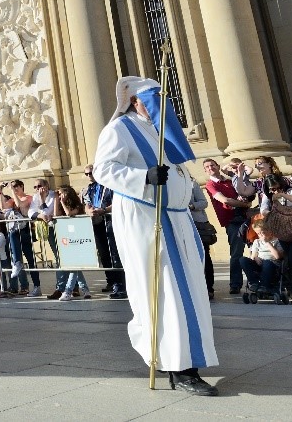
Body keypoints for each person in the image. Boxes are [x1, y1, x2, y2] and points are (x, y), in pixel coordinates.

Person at [93, 75, 219, 396]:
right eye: (153, 101)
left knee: (188, 290)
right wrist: (143, 176)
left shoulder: (159, 131)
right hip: (148, 216)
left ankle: (186, 356)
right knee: (167, 291)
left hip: (176, 217)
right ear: (136, 101)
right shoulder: (119, 129)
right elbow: (103, 169)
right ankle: (180, 368)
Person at [201, 157, 253, 296]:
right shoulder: (210, 185)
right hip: (231, 221)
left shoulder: (231, 180)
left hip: (245, 217)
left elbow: (248, 172)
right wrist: (244, 204)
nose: (210, 168)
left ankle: (257, 281)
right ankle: (235, 284)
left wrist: (231, 166)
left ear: (218, 166)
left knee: (257, 250)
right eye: (207, 167)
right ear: (205, 171)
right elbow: (225, 200)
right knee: (236, 253)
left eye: (212, 165)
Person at [83, 163, 126, 298]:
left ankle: (120, 284)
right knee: (103, 253)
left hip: (110, 220)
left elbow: (118, 202)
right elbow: (86, 203)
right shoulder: (89, 188)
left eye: (91, 172)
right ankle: (111, 281)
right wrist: (89, 210)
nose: (89, 176)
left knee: (115, 252)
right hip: (97, 221)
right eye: (87, 174)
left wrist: (104, 210)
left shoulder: (110, 184)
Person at [53, 185, 91, 301]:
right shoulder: (60, 203)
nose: (59, 196)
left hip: (77, 236)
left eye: (60, 194)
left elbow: (69, 213)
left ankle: (68, 291)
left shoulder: (78, 205)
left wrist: (63, 202)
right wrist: (56, 201)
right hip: (66, 237)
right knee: (74, 266)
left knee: (74, 266)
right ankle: (85, 290)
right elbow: (56, 215)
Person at [186, 179, 217, 300]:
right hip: (180, 225)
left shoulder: (192, 183)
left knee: (204, 256)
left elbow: (204, 202)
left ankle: (209, 288)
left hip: (198, 224)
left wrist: (192, 206)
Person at [241, 224, 283, 296]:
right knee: (243, 260)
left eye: (262, 232)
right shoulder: (257, 241)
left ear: (270, 232)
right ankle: (254, 282)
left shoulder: (277, 241)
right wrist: (256, 258)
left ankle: (264, 285)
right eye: (258, 233)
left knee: (267, 262)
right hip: (259, 263)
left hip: (272, 264)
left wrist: (267, 242)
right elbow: (253, 256)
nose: (260, 235)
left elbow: (277, 256)